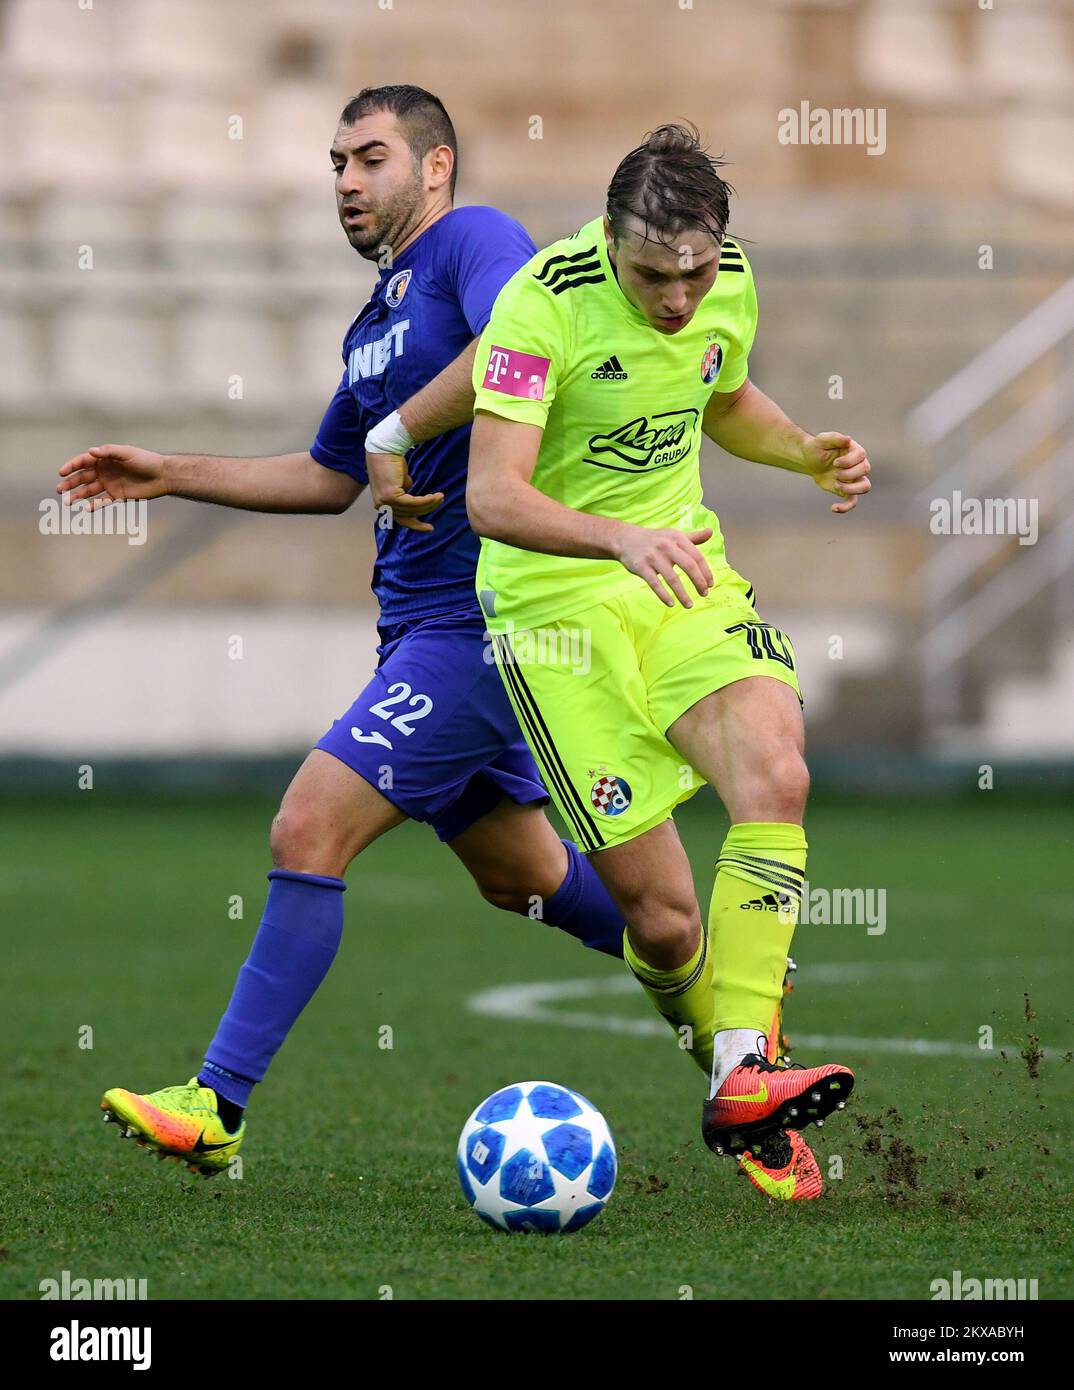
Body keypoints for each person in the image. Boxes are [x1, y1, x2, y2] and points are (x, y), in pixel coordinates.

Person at [58, 86, 625, 1177]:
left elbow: (526, 343)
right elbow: (328, 477)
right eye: (335, 164)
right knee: (528, 880)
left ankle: (216, 1102)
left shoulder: (474, 242)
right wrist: (169, 472)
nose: (347, 183)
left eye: (370, 158)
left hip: (480, 623)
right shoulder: (376, 322)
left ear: (438, 166)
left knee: (306, 828)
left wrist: (401, 427)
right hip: (422, 632)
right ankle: (733, 1018)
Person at [466, 124, 872, 1198]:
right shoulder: (541, 303)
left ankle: (747, 1076)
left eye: (695, 273)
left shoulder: (727, 283)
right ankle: (732, 1066)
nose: (680, 298)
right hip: (557, 615)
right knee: (664, 917)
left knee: (777, 770)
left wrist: (803, 450)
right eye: (654, 275)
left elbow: (723, 396)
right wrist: (615, 539)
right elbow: (490, 496)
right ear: (609, 240)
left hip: (681, 580)